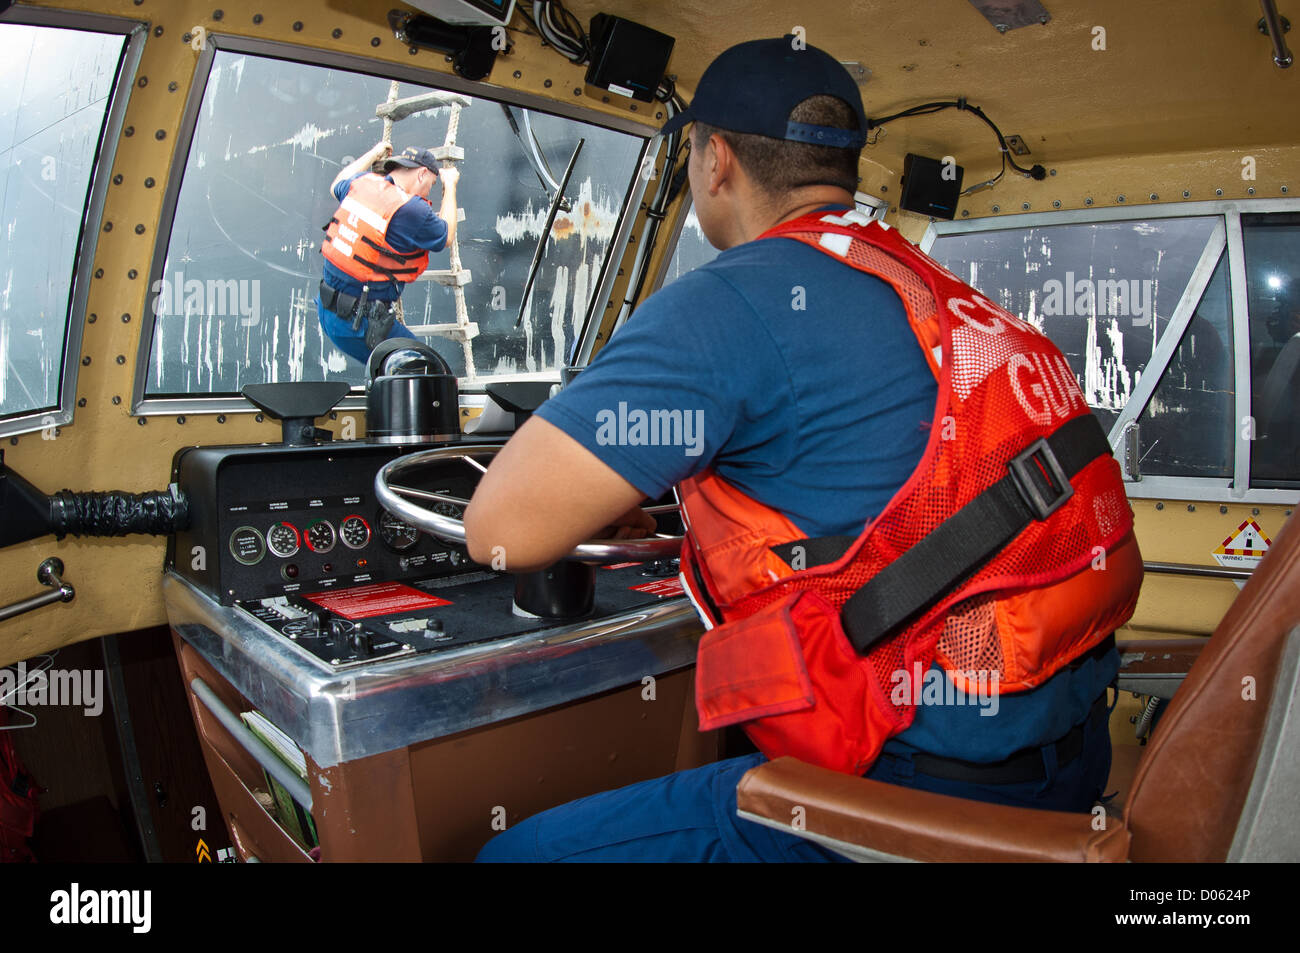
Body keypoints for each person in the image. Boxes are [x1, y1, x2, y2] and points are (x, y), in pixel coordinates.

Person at [464, 37, 1143, 862]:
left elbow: (501, 530)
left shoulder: (730, 302)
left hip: (913, 798)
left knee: (509, 855)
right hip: (1064, 768)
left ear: (714, 161)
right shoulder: (936, 292)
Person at [317, 143, 460, 363]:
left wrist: (373, 152)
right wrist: (449, 186)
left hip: (328, 314)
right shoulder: (411, 209)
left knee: (390, 377)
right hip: (359, 326)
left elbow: (336, 184)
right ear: (422, 174)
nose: (427, 194)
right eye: (430, 186)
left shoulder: (362, 183)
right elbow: (447, 235)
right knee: (430, 372)